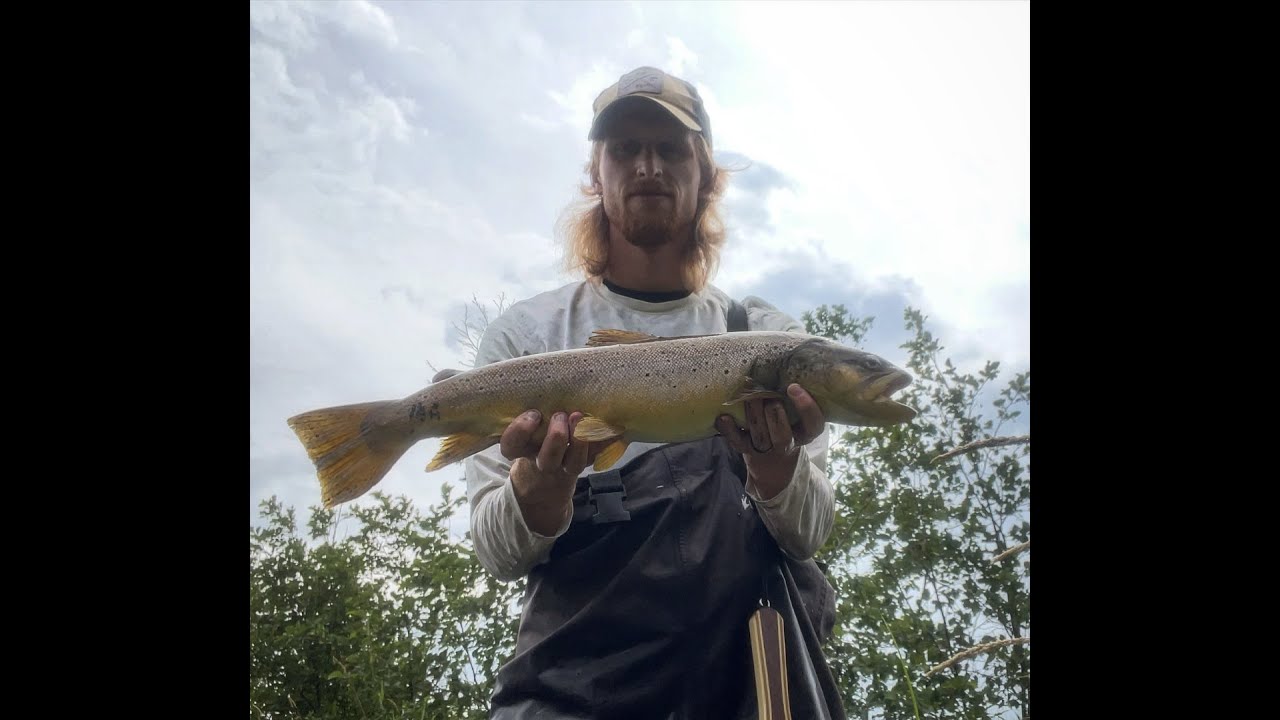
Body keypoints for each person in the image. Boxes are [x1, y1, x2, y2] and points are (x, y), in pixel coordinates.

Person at [465, 66, 846, 720]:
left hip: (747, 690)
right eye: (624, 149)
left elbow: (810, 533)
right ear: (596, 174)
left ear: (706, 176)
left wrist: (776, 463)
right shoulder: (527, 337)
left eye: (671, 149)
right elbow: (496, 553)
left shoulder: (767, 340)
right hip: (569, 695)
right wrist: (539, 489)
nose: (648, 165)